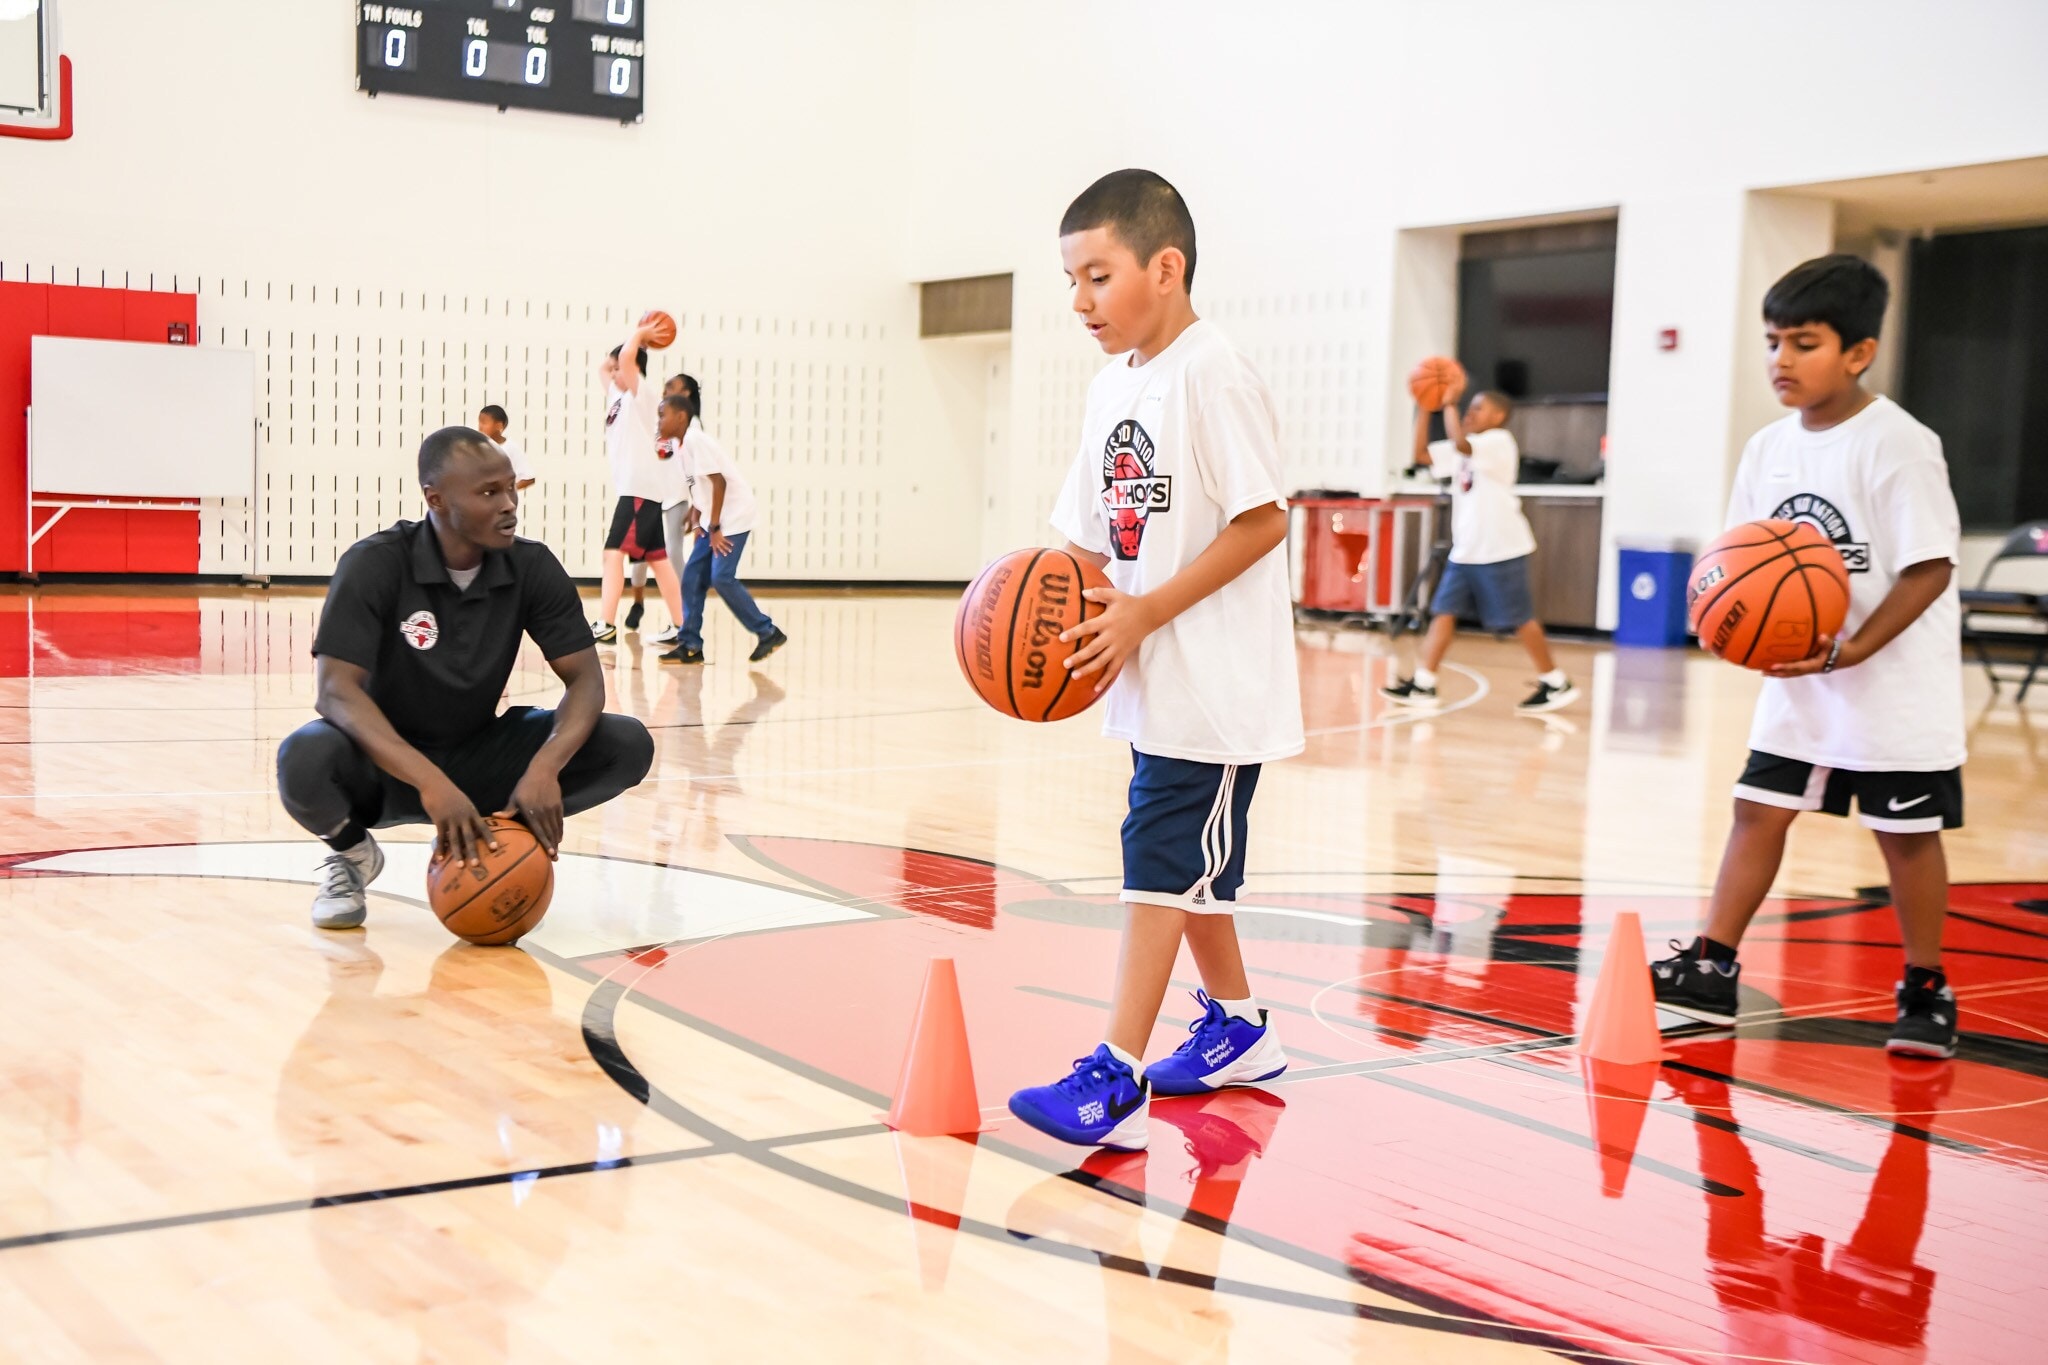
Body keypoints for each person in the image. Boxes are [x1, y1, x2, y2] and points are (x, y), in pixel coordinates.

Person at [1005, 169, 1304, 1151]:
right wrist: (1043, 625)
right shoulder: (1111, 388)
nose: (1079, 302)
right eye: (1071, 281)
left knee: (1158, 857)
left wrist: (1145, 616)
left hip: (1215, 686)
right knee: (1188, 873)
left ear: (1164, 268)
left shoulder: (1212, 372)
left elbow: (1262, 522)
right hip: (1151, 679)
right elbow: (1085, 544)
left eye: (1097, 276)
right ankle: (1239, 1029)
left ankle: (1115, 1074)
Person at [1651, 254, 1966, 1059]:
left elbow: (1930, 565)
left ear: (1858, 352)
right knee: (1757, 809)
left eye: (1804, 342)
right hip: (1801, 677)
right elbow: (1737, 559)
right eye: (1771, 342)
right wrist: (1724, 622)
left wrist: (1854, 646)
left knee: (1906, 836)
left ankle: (1926, 986)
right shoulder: (1767, 448)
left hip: (1892, 684)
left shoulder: (1899, 443)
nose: (1781, 361)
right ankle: (1712, 967)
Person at [275, 427, 655, 929]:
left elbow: (585, 680)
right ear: (435, 499)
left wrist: (544, 767)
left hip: (477, 753)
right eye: (488, 492)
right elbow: (335, 691)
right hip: (384, 764)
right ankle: (353, 857)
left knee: (625, 743)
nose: (509, 505)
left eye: (510, 488)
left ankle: (490, 836)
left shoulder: (531, 566)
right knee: (302, 758)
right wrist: (431, 783)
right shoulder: (376, 562)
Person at [1380, 384, 1576, 714]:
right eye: (1467, 407)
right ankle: (1425, 685)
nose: (1470, 413)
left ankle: (1555, 682)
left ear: (1498, 416)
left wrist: (1450, 405)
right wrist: (1425, 408)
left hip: (1500, 547)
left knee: (1520, 618)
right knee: (1444, 612)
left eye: (1477, 408)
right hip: (1466, 549)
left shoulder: (1498, 442)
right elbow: (1422, 456)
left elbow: (1461, 443)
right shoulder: (1466, 449)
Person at [668, 376, 787, 665]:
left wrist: (716, 527)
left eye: (663, 414)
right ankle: (690, 645)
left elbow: (718, 482)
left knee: (721, 577)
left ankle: (767, 631)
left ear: (681, 415)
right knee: (693, 578)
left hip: (733, 516)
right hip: (713, 518)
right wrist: (696, 513)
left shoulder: (695, 438)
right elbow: (700, 484)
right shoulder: (681, 442)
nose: (658, 420)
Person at [591, 323, 686, 645]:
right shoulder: (617, 397)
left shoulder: (641, 394)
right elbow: (605, 366)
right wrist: (625, 350)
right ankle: (681, 626)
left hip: (638, 488)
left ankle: (606, 623)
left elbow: (628, 359)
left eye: (621, 369)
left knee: (612, 553)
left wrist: (642, 334)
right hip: (641, 489)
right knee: (659, 561)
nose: (614, 372)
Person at [623, 375, 697, 642]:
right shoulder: (659, 418)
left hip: (676, 495)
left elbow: (696, 467)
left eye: (672, 386)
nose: (665, 387)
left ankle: (682, 620)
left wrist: (697, 502)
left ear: (686, 393)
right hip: (650, 492)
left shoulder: (692, 427)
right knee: (639, 556)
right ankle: (638, 602)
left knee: (673, 554)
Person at [474, 405, 534, 491]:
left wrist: (506, 491)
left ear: (498, 426)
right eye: (479, 422)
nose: (480, 427)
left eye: (484, 423)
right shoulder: (475, 446)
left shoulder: (510, 448)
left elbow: (528, 478)